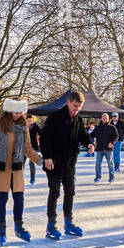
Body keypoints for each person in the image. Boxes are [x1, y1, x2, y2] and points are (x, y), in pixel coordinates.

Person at [0, 98, 42, 245]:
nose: (17, 115)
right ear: (8, 110)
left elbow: (27, 148)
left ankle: (19, 227)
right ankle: (1, 229)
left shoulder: (23, 125)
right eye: (15, 112)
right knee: (2, 199)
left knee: (19, 198)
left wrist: (40, 161)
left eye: (20, 112)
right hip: (1, 167)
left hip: (16, 168)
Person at [40, 91, 91, 239]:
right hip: (54, 163)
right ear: (69, 102)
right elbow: (45, 138)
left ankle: (68, 223)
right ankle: (51, 225)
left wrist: (89, 143)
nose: (77, 109)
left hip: (69, 163)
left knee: (70, 192)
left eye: (79, 107)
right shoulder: (55, 117)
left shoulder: (79, 120)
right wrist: (47, 157)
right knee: (55, 192)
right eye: (75, 106)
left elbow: (83, 135)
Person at [93, 112, 117, 183]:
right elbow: (92, 135)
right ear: (101, 119)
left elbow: (116, 136)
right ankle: (98, 177)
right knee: (97, 164)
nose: (104, 119)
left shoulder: (112, 127)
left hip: (108, 149)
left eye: (106, 118)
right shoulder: (98, 127)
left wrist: (112, 142)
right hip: (100, 148)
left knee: (110, 163)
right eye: (103, 118)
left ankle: (112, 177)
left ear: (108, 119)